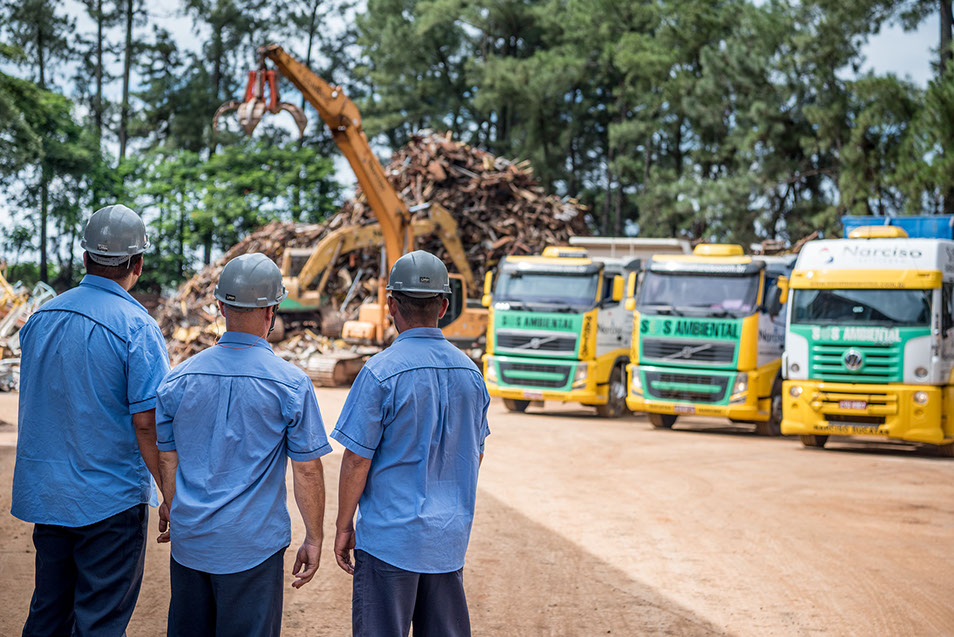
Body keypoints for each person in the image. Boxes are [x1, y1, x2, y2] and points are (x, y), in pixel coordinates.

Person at [12, 204, 170, 636]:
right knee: (99, 621)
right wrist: (169, 491)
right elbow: (147, 423)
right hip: (110, 501)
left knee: (48, 613)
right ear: (138, 263)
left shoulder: (40, 319)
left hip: (48, 495)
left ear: (85, 257)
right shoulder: (137, 328)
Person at [155, 252, 331, 637]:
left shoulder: (177, 380)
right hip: (253, 548)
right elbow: (307, 470)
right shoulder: (290, 384)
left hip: (191, 544)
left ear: (220, 307)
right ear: (271, 311)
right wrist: (314, 537)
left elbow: (167, 460)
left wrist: (172, 506)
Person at [332, 250, 491, 637]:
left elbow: (356, 460)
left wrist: (343, 525)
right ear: (445, 306)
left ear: (391, 306)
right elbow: (475, 453)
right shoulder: (471, 374)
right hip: (447, 542)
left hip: (389, 542)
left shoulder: (380, 372)